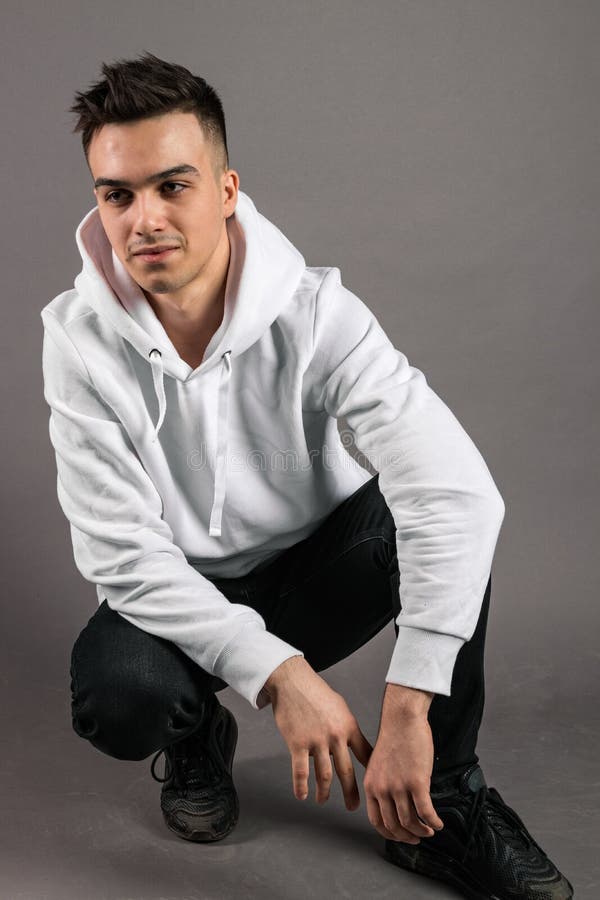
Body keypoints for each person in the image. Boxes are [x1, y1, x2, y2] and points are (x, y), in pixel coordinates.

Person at [40, 52, 573, 900]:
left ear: (225, 190)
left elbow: (457, 492)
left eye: (172, 186)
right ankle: (195, 734)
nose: (143, 219)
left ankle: (443, 804)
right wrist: (282, 677)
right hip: (185, 592)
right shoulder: (77, 337)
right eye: (118, 195)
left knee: (432, 520)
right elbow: (122, 555)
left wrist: (408, 703)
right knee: (119, 696)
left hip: (324, 569)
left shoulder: (316, 313)